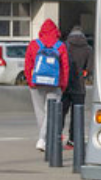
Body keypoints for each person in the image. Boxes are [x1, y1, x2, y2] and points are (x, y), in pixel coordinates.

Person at [25, 18, 69, 152]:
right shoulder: (60, 46)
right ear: (56, 31)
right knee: (51, 112)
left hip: (37, 83)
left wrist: (30, 81)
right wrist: (63, 85)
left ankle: (42, 139)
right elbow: (65, 67)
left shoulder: (34, 44)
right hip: (54, 83)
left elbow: (28, 64)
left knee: (40, 112)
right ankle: (43, 139)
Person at [63, 25, 92, 142]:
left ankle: (56, 138)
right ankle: (73, 140)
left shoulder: (65, 46)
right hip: (79, 87)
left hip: (65, 85)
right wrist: (83, 73)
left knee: (60, 112)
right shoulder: (88, 49)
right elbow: (89, 69)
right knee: (77, 115)